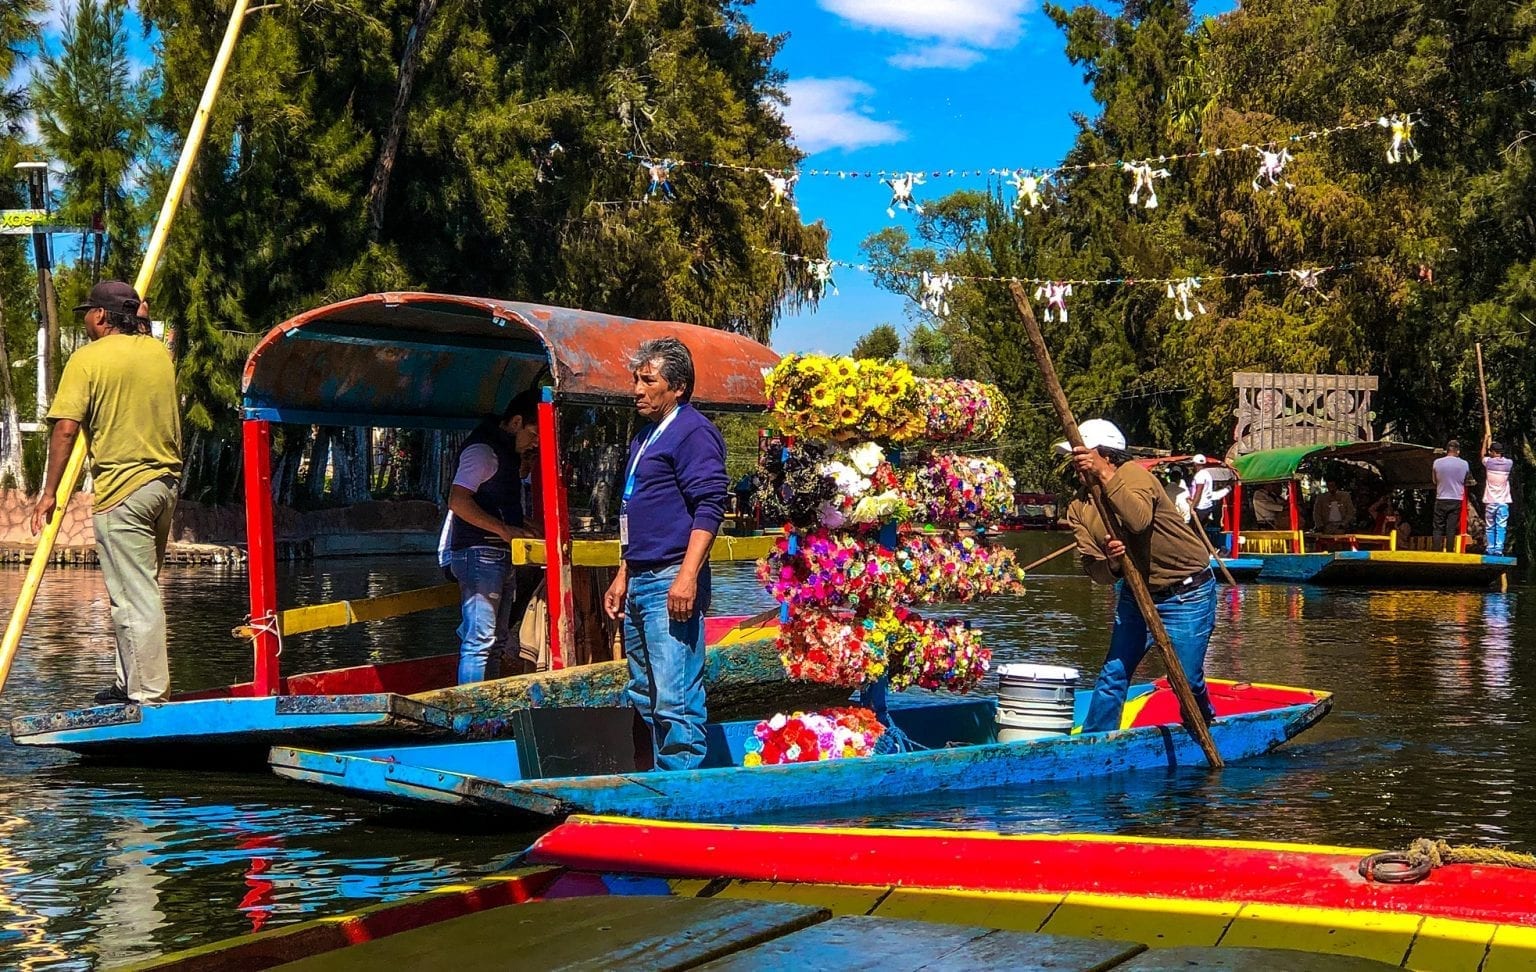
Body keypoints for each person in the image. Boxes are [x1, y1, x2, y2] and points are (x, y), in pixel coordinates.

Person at [32, 281, 181, 705]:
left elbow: (65, 429)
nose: (84, 319)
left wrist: (49, 492)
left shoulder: (88, 359)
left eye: (87, 312)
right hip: (164, 486)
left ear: (100, 317)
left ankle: (148, 696)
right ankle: (126, 683)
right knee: (138, 587)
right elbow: (146, 331)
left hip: (124, 491)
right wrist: (141, 315)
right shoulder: (159, 354)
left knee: (133, 596)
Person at [603, 337, 727, 771]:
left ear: (677, 387)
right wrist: (623, 572)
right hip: (641, 576)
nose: (636, 389)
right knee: (643, 689)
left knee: (675, 693)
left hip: (671, 577)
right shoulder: (644, 437)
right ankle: (653, 777)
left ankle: (684, 787)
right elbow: (634, 510)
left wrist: (688, 575)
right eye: (635, 379)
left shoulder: (693, 431)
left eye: (647, 380)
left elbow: (710, 505)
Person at [1063, 419, 1216, 734]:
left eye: (1083, 456)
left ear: (1105, 454)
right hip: (1136, 594)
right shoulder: (1078, 508)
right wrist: (1114, 563)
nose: (1076, 464)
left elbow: (1138, 520)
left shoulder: (1134, 475)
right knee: (1113, 673)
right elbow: (1096, 572)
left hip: (1187, 592)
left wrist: (1104, 474)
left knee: (1186, 678)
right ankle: (1097, 738)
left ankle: (1203, 721)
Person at [438, 390, 542, 685]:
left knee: (496, 641)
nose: (535, 442)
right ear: (517, 422)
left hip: (497, 554)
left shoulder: (506, 453)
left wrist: (522, 523)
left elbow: (492, 501)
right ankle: (470, 714)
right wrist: (504, 530)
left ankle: (488, 710)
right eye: (533, 433)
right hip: (478, 552)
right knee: (479, 641)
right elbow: (458, 501)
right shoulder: (483, 451)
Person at [1432, 440, 1470, 551]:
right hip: (1456, 498)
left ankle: (1436, 550)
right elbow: (1465, 480)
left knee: (1438, 527)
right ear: (1458, 451)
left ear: (1447, 450)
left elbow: (1435, 480)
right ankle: (1449, 550)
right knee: (1451, 527)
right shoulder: (1464, 464)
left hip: (1441, 497)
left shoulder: (1437, 462)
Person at [1482, 439, 1514, 555]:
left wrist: (1485, 440)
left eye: (1491, 451)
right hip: (1503, 502)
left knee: (1490, 526)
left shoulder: (1488, 462)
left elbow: (1482, 456)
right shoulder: (1509, 463)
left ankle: (1490, 549)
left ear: (1493, 452)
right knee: (1501, 527)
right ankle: (1498, 550)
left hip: (1490, 501)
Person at [1189, 454, 1230, 543]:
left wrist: (1192, 507)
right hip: (1206, 506)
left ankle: (1203, 549)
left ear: (1195, 464)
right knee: (1200, 530)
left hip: (1200, 507)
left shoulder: (1199, 475)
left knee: (1194, 531)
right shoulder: (1206, 474)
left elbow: (1199, 492)